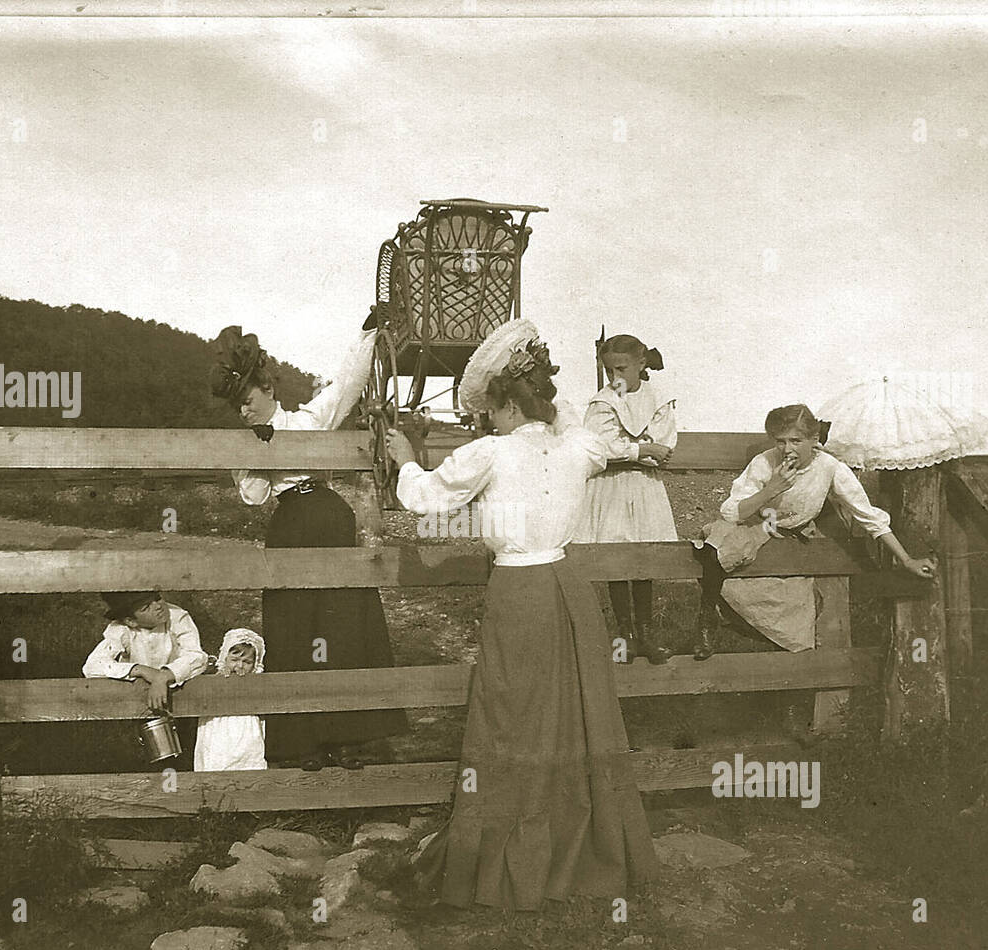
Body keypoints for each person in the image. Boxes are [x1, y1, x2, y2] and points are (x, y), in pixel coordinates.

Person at [384, 318, 658, 911]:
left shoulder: (490, 452)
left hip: (517, 593)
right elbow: (589, 436)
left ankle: (513, 843)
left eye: (491, 408)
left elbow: (423, 498)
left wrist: (405, 454)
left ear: (505, 403)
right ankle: (577, 837)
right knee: (571, 713)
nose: (487, 419)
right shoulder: (579, 445)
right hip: (568, 590)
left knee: (510, 715)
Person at [211, 325, 408, 772]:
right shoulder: (249, 439)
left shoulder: (305, 419)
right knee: (293, 626)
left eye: (248, 399)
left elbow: (346, 386)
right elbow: (255, 495)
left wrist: (370, 336)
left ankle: (350, 738)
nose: (243, 410)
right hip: (290, 523)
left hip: (328, 515)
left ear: (267, 388)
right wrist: (258, 454)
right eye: (236, 405)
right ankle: (304, 742)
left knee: (344, 624)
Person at [691, 404, 936, 733]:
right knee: (716, 546)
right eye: (780, 441)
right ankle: (707, 618)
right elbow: (733, 511)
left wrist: (906, 560)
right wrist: (772, 488)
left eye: (795, 441)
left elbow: (866, 514)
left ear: (814, 440)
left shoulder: (830, 468)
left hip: (792, 540)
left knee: (795, 628)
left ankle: (792, 712)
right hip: (758, 524)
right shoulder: (765, 463)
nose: (787, 449)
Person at [574, 333, 678, 664]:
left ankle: (646, 634)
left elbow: (664, 447)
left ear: (641, 364)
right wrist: (641, 448)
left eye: (622, 369)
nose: (615, 378)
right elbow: (597, 446)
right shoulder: (603, 402)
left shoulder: (658, 399)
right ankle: (624, 637)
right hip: (612, 488)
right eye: (609, 371)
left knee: (643, 554)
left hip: (645, 487)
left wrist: (630, 450)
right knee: (617, 555)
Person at [82, 590, 209, 765]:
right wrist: (141, 670)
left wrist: (163, 676)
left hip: (179, 698)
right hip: (139, 707)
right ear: (131, 621)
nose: (158, 606)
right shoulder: (121, 630)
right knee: (141, 760)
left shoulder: (177, 617)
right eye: (145, 607)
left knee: (183, 758)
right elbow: (92, 666)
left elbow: (197, 656)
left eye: (157, 598)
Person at [194, 628, 268, 772]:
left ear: (254, 664)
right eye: (234, 660)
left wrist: (246, 682)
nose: (239, 666)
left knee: (247, 760)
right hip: (217, 727)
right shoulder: (215, 678)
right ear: (225, 658)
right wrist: (221, 679)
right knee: (216, 759)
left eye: (247, 662)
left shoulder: (256, 682)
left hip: (245, 726)